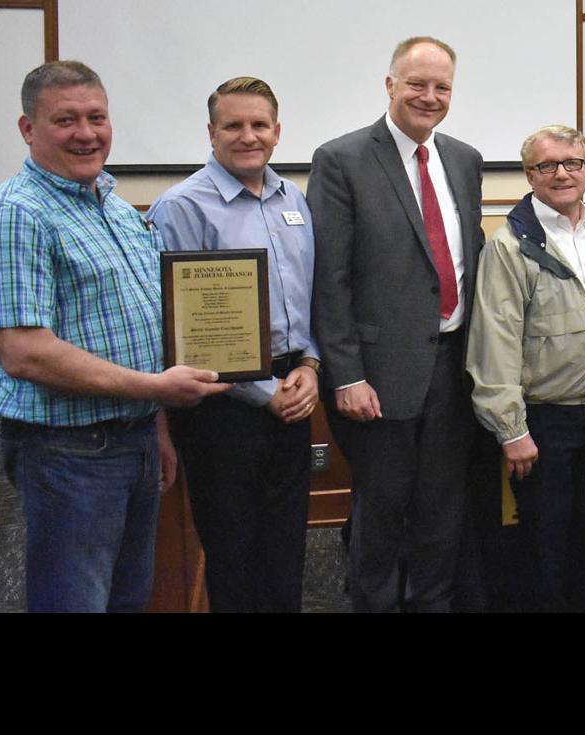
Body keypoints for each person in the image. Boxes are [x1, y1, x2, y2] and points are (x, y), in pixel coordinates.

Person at [0, 60, 230, 613]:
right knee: (75, 600)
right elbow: (25, 353)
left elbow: (145, 328)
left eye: (96, 117)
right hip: (68, 453)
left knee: (128, 597)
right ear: (27, 128)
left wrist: (154, 423)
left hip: (131, 439)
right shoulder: (15, 214)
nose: (86, 133)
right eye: (65, 120)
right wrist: (155, 390)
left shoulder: (114, 207)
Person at [309, 36, 486, 613]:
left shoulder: (464, 159)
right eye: (417, 84)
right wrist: (346, 375)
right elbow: (329, 280)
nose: (429, 97)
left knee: (442, 510)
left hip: (453, 368)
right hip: (378, 377)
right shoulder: (341, 160)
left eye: (442, 87)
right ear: (390, 85)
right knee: (381, 513)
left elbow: (466, 258)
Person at [148, 76, 319, 612]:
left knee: (287, 544)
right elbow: (179, 330)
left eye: (259, 125)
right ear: (211, 132)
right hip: (222, 407)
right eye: (234, 125)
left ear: (277, 131)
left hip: (294, 391)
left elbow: (308, 297)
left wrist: (311, 365)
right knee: (233, 551)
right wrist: (262, 390)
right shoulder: (181, 207)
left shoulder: (294, 197)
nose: (249, 136)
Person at [466, 125, 585, 612]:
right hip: (543, 420)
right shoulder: (510, 246)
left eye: (573, 163)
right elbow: (494, 341)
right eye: (547, 166)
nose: (562, 174)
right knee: (545, 539)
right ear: (529, 175)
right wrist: (511, 429)